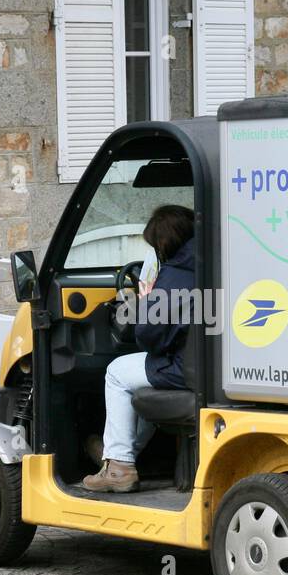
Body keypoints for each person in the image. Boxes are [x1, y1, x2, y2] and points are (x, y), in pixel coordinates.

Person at [83, 204, 195, 492]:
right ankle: (118, 456)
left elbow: (149, 337)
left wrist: (146, 303)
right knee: (137, 382)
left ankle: (119, 466)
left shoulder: (176, 273)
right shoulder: (208, 261)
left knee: (117, 373)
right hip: (204, 364)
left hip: (184, 368)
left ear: (163, 243)